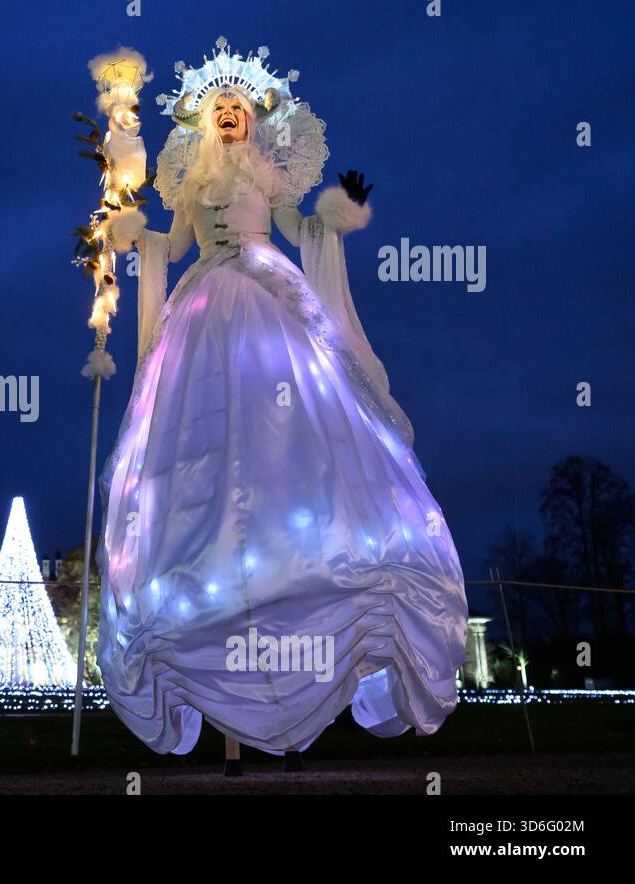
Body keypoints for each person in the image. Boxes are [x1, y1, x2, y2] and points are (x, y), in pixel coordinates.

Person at [96, 39, 468, 763]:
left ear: (252, 119)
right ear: (206, 122)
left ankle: (298, 679)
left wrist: (338, 211)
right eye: (219, 109)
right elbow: (170, 250)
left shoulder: (268, 174)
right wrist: (127, 230)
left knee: (286, 451)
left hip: (270, 304)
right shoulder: (190, 183)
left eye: (238, 108)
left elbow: (302, 230)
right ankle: (235, 725)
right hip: (202, 312)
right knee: (207, 472)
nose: (230, 116)